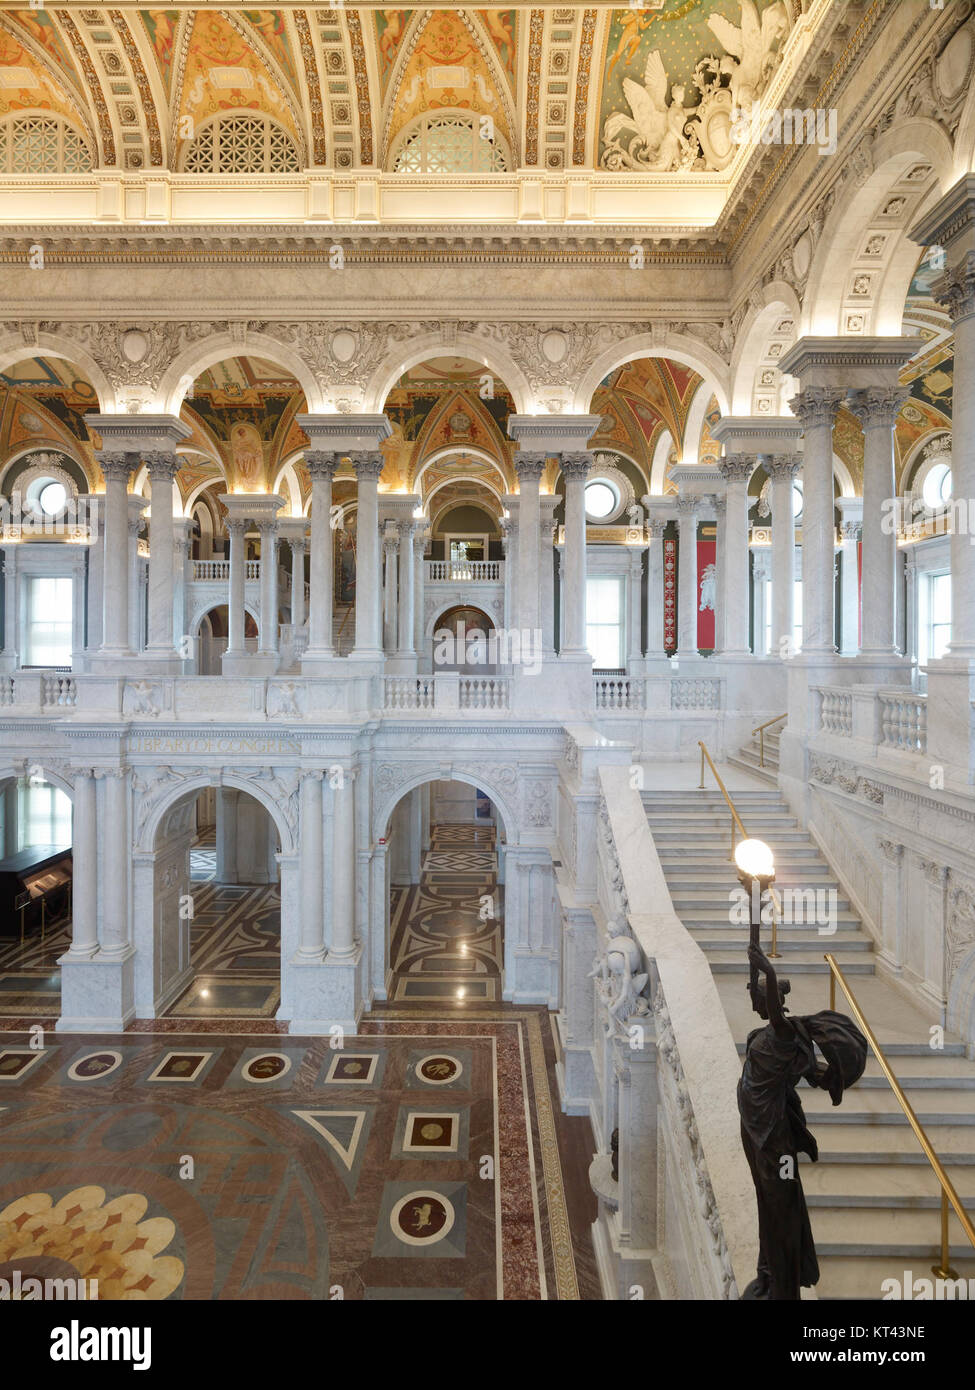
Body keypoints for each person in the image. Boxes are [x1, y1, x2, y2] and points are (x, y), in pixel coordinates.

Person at [738, 942, 867, 1299]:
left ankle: (784, 1288)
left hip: (775, 1142)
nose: (755, 1002)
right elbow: (763, 1004)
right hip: (755, 1132)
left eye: (760, 997)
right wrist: (756, 969)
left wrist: (769, 970)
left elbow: (777, 1016)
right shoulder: (782, 1035)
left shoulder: (784, 1034)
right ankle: (767, 1274)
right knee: (767, 1204)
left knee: (781, 1209)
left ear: (772, 1004)